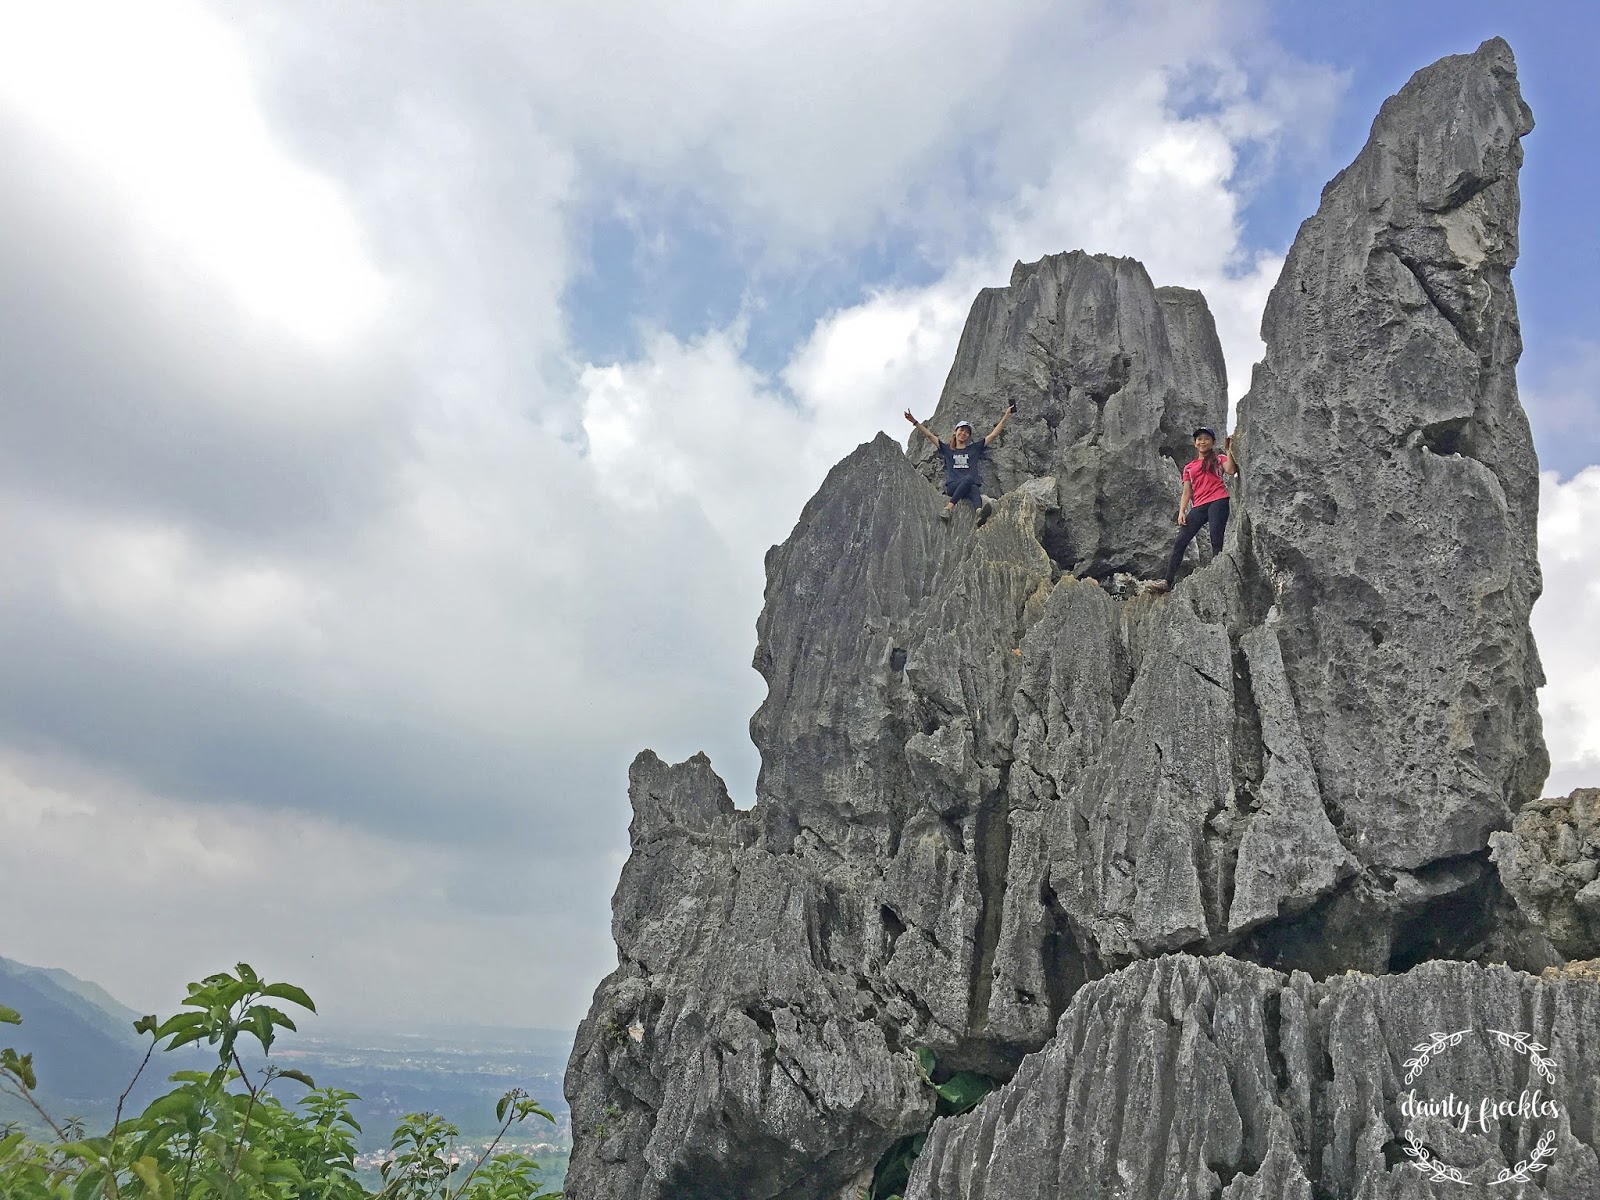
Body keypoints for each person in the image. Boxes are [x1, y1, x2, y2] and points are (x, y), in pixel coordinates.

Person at [1151, 427, 1237, 592]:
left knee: (1216, 539)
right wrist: (1182, 511)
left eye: (1206, 439)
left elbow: (1231, 470)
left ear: (1212, 442)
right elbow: (1187, 492)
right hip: (1199, 505)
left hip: (1219, 500)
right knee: (1180, 542)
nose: (1202, 442)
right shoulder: (1189, 467)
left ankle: (1218, 576)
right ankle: (1167, 582)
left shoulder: (1218, 459)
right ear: (1194, 443)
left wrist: (1228, 449)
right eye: (1199, 439)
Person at [904, 404, 1016, 521]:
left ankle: (979, 513)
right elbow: (929, 435)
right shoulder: (947, 449)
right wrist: (914, 421)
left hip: (968, 487)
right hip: (953, 486)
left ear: (968, 436)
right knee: (969, 479)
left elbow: (993, 435)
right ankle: (948, 508)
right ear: (955, 431)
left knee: (974, 487)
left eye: (967, 432)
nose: (963, 433)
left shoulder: (974, 449)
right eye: (961, 430)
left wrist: (1006, 415)